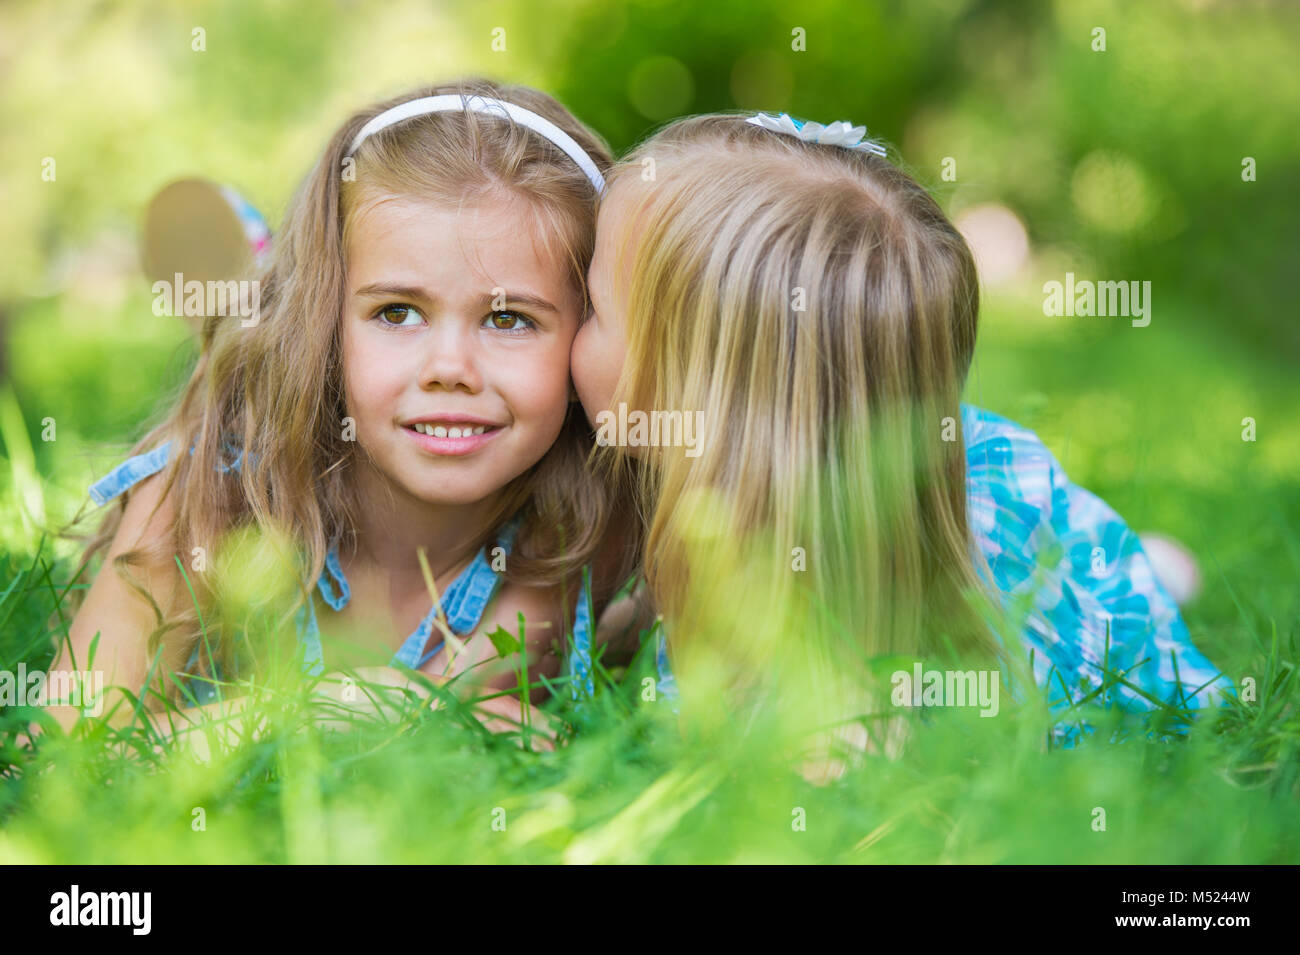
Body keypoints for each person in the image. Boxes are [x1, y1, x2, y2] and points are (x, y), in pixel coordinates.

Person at [572, 111, 1233, 767]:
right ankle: (1158, 560)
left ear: (684, 383)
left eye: (592, 306)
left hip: (1035, 559)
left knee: (1108, 579)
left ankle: (1154, 571)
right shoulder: (726, 486)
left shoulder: (851, 651)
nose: (571, 317)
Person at [45, 78, 629, 749]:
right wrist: (326, 705)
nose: (450, 368)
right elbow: (56, 751)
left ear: (589, 331)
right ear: (323, 325)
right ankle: (247, 323)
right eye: (397, 312)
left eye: (508, 318)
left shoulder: (591, 520)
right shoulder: (206, 499)